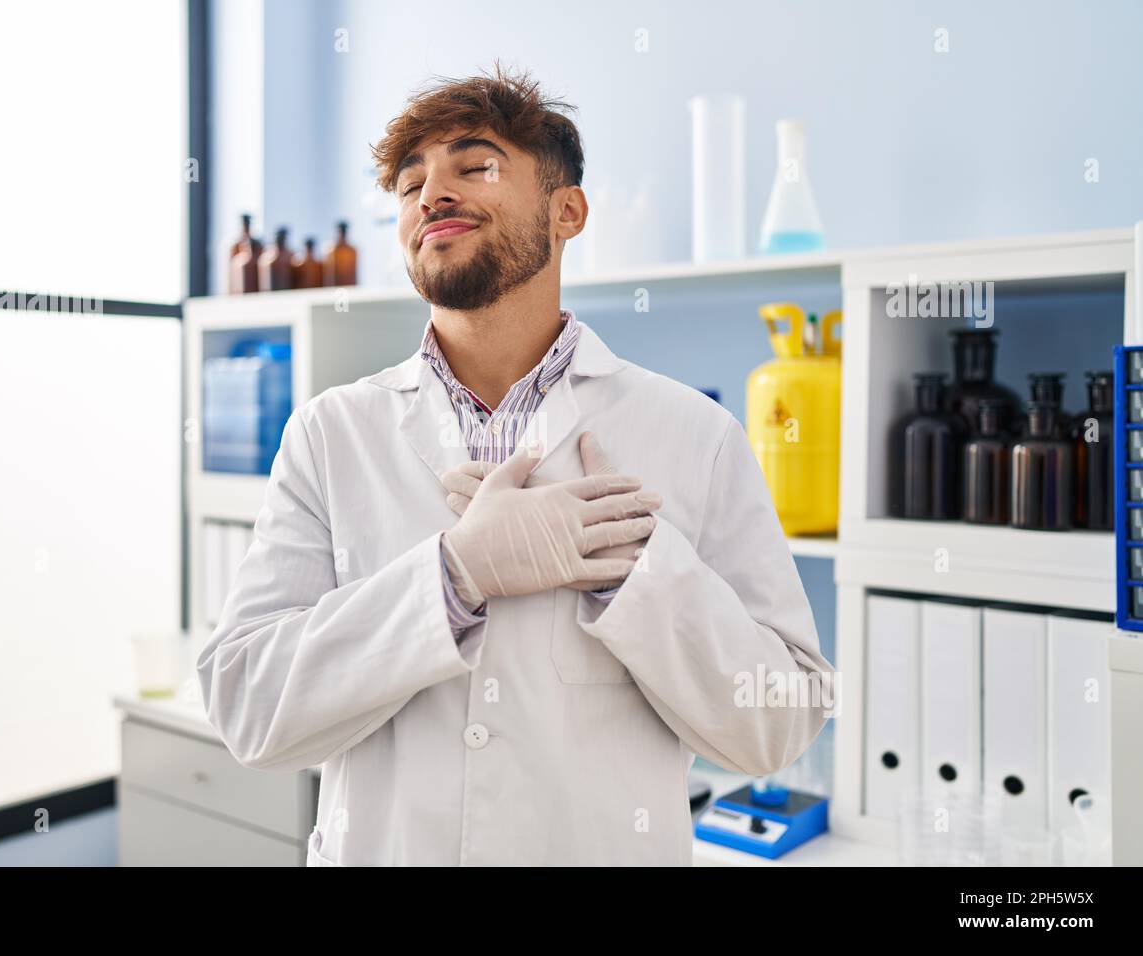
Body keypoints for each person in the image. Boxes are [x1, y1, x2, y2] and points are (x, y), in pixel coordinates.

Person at [196, 63, 834, 866]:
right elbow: (247, 706)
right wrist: (453, 576)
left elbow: (780, 719)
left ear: (566, 212)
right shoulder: (331, 434)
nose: (432, 194)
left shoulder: (695, 435)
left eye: (475, 165)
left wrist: (639, 573)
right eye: (410, 182)